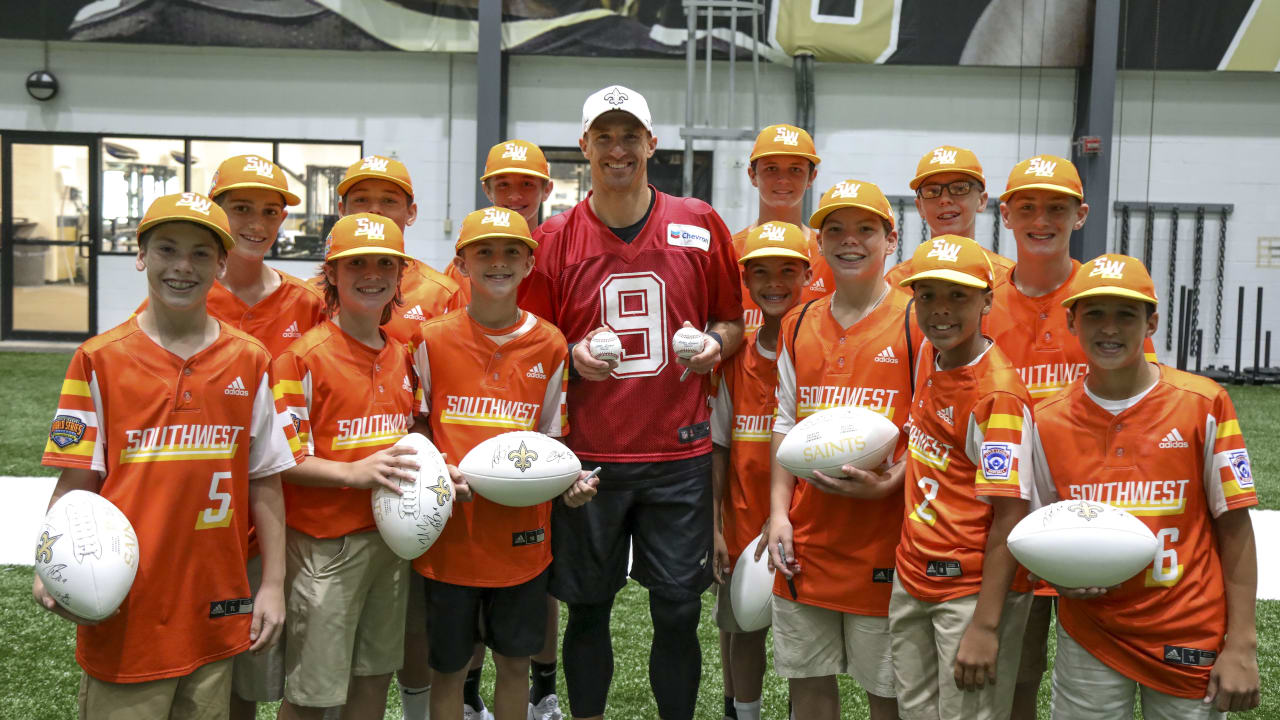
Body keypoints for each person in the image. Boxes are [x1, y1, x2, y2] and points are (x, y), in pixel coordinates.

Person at [35, 192, 296, 719]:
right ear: (141, 256)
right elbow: (76, 479)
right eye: (167, 249)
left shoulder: (250, 360)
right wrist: (49, 562)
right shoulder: (98, 360)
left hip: (215, 606)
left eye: (201, 253)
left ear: (222, 264)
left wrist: (271, 584)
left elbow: (265, 479)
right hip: (126, 606)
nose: (183, 266)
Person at [529, 84, 744, 720]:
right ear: (584, 146)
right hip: (588, 455)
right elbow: (534, 346)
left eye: (630, 136)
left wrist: (712, 343)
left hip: (677, 453)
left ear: (652, 143)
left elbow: (732, 321)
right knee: (589, 608)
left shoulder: (699, 223)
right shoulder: (554, 238)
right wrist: (570, 355)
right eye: (605, 136)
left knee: (678, 610)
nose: (617, 149)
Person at [134, 154, 324, 720]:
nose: (257, 223)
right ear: (215, 213)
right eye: (241, 208)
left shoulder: (307, 303)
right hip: (196, 527)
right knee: (199, 675)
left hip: (284, 520)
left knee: (272, 675)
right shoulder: (175, 293)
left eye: (271, 211)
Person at [1032, 254, 1261, 718]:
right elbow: (1038, 525)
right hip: (1091, 633)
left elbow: (1235, 528)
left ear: (1151, 320)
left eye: (1126, 314)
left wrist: (1241, 644)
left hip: (1188, 628)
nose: (1109, 329)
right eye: (1094, 313)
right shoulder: (1046, 418)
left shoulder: (1204, 403)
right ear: (1072, 321)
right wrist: (1054, 574)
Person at [412, 205, 599, 720]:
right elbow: (417, 427)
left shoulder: (551, 343)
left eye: (511, 252)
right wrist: (436, 469)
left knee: (516, 663)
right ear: (462, 262)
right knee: (448, 670)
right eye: (484, 252)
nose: (498, 262)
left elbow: (550, 440)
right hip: (451, 536)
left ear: (528, 264)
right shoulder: (430, 340)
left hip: (522, 540)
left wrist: (568, 485)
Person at [987, 154, 1157, 716]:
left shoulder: (1109, 303)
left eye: (1057, 207)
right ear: (1005, 214)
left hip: (1100, 513)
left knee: (1109, 677)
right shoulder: (981, 305)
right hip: (1013, 517)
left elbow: (1145, 410)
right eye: (1028, 206)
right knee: (1014, 674)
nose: (1042, 219)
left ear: (1080, 215)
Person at [766, 179, 912, 720]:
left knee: (887, 691)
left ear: (890, 239)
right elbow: (785, 424)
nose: (851, 242)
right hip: (809, 538)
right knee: (808, 685)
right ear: (818, 244)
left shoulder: (917, 321)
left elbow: (931, 434)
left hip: (886, 542)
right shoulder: (799, 322)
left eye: (866, 229)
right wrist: (778, 513)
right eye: (836, 231)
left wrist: (891, 483)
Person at [273, 213, 421, 720]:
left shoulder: (403, 355)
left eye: (385, 263)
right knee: (313, 692)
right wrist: (351, 474)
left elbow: (408, 441)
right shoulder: (302, 358)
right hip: (324, 546)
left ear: (400, 276)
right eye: (356, 263)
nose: (372, 274)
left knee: (374, 677)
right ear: (332, 273)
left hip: (390, 541)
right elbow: (280, 458)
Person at [889, 234, 1035, 720]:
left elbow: (1011, 517)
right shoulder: (934, 356)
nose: (940, 310)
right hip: (914, 576)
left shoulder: (998, 396)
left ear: (987, 300)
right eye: (927, 295)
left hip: (970, 593)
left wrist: (986, 626)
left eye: (958, 295)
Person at [710, 221, 812, 720]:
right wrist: (714, 525)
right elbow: (718, 448)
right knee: (743, 629)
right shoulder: (737, 358)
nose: (775, 283)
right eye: (762, 272)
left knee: (803, 645)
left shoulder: (817, 353)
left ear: (808, 275)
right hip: (741, 522)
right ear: (746, 282)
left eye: (787, 270)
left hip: (807, 528)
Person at [315, 154, 463, 345]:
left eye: (389, 201)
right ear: (342, 211)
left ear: (411, 213)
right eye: (361, 199)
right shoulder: (313, 295)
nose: (375, 210)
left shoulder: (442, 294)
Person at [731, 124, 833, 334]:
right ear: (752, 175)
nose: (783, 179)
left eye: (795, 169)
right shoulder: (729, 250)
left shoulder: (829, 254)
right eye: (771, 168)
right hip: (744, 367)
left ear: (811, 178)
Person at [884, 145, 1014, 288]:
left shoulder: (1008, 280)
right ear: (920, 207)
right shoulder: (895, 282)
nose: (945, 199)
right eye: (932, 191)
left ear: (981, 201)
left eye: (960, 188)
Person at [447, 139, 555, 305]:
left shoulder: (559, 256)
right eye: (503, 184)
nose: (515, 196)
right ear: (487, 190)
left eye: (527, 184)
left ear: (546, 190)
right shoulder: (466, 263)